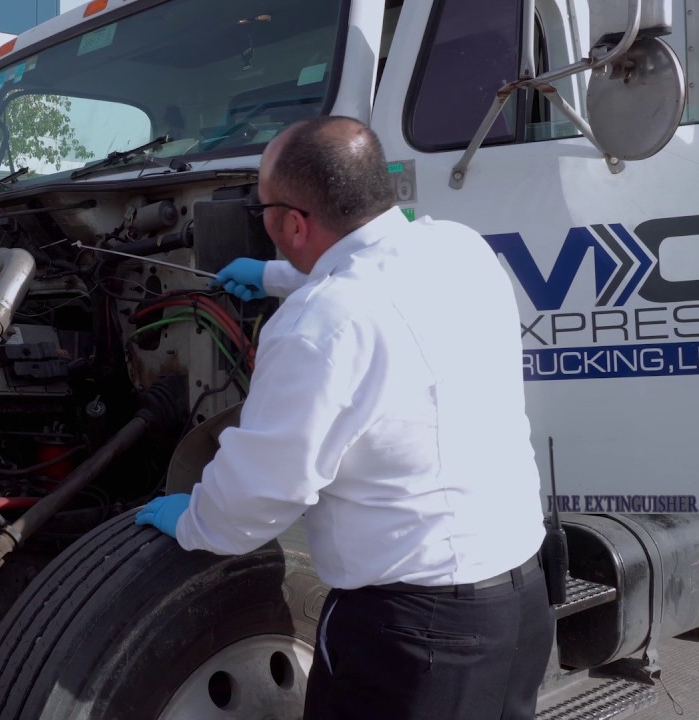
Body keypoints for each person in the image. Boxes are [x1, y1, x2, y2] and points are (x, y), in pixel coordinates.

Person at [135, 116, 552, 719]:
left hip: (417, 641)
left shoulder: (317, 326)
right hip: (519, 600)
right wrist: (275, 275)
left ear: (293, 223)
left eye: (263, 210)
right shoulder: (459, 245)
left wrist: (194, 519)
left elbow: (255, 502)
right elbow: (372, 269)